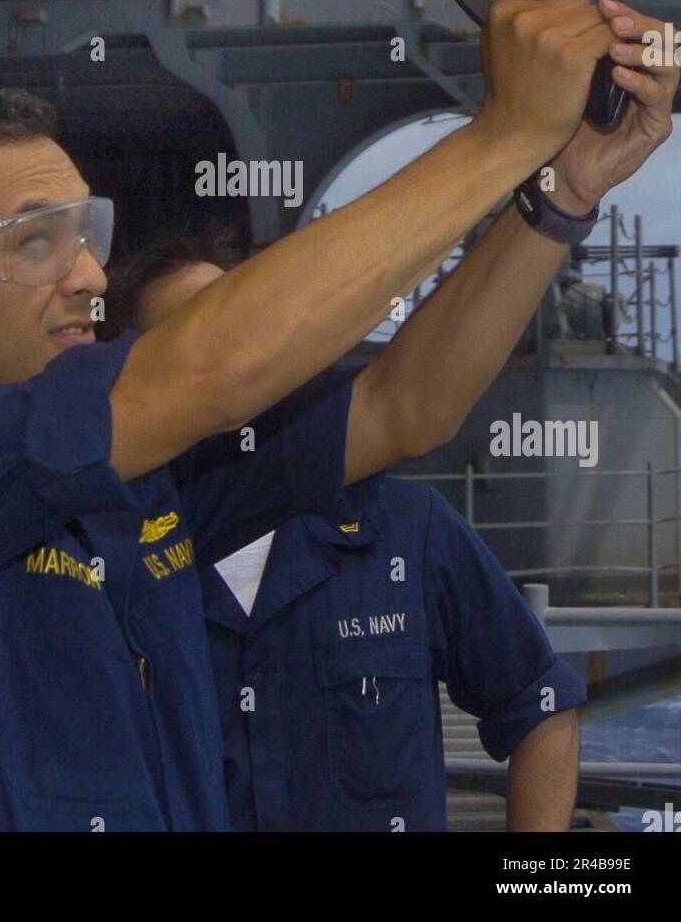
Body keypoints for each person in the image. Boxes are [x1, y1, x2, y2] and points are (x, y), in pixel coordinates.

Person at [0, 0, 675, 831]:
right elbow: (211, 374)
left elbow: (405, 405)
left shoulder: (141, 490)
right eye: (35, 243)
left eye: (87, 234)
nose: (86, 275)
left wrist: (560, 192)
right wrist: (502, 135)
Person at [99, 229, 587, 832]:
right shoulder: (103, 558)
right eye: (195, 342)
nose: (233, 363)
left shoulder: (410, 530)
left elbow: (539, 705)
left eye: (245, 331)